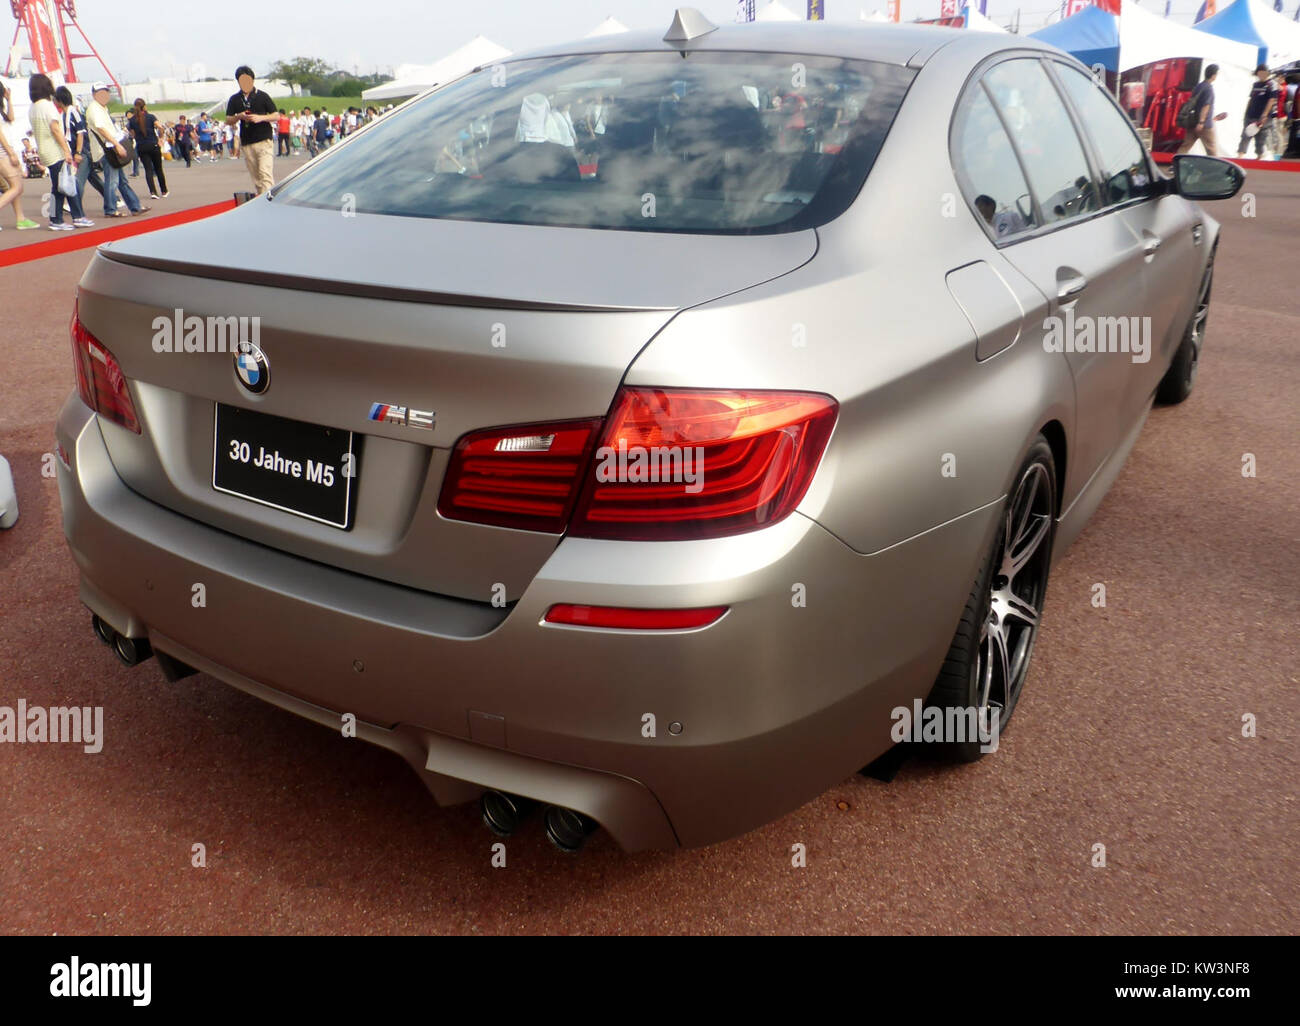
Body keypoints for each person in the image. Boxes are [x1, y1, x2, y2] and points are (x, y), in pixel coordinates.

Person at [28, 73, 88, 230]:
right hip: (55, 151)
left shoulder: (33, 107)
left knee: (62, 184)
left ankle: (74, 217)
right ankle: (60, 219)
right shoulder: (48, 106)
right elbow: (55, 130)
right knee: (62, 185)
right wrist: (66, 150)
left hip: (44, 150)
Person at [85, 82, 149, 218]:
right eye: (100, 93)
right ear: (94, 95)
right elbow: (101, 128)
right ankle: (110, 209)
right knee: (113, 180)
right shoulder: (94, 109)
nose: (104, 95)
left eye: (105, 92)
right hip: (107, 149)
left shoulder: (102, 108)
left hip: (110, 148)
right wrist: (117, 145)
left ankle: (135, 206)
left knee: (121, 180)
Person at [0, 81, 39, 230]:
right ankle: (20, 219)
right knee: (17, 187)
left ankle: (20, 218)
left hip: (5, 151)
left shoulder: (1, 110)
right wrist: (11, 153)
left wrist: (9, 100)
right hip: (3, 152)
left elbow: (10, 118)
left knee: (14, 186)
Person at [54, 86, 94, 223]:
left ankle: (77, 212)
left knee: (76, 182)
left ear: (60, 100)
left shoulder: (72, 112)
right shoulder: (64, 114)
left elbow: (80, 133)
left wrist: (78, 152)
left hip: (80, 151)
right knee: (93, 179)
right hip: (73, 152)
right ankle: (112, 202)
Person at [1179, 64, 1227, 156]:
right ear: (1213, 75)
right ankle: (1215, 167)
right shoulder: (1209, 88)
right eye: (1216, 74)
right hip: (1205, 125)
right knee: (1211, 148)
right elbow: (1206, 106)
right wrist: (1201, 122)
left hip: (1192, 122)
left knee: (1186, 146)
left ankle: (1175, 163)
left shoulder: (1199, 86)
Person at [128, 98, 168, 198]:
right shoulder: (150, 117)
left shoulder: (132, 120)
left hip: (141, 146)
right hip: (153, 145)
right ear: (144, 106)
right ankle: (164, 191)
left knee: (148, 169)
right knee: (158, 169)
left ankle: (153, 192)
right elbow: (160, 127)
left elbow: (132, 134)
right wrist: (160, 139)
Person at [1238, 64, 1280, 158]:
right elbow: (1251, 99)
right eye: (1259, 73)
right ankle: (1240, 156)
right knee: (1245, 136)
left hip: (1263, 117)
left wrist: (1264, 115)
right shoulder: (1255, 84)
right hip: (1251, 114)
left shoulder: (1272, 84)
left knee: (1260, 139)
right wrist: (1246, 112)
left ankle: (1259, 157)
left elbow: (1271, 100)